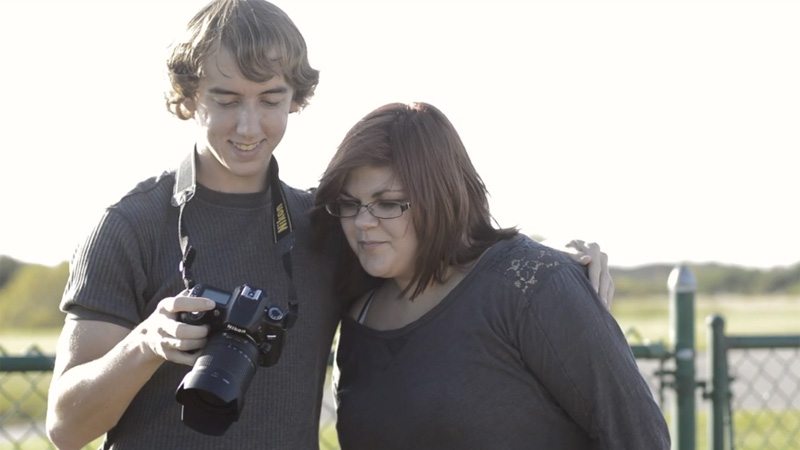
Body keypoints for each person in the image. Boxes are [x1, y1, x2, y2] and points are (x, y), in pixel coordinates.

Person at [45, 1, 613, 449]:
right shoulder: (129, 226)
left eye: (270, 99)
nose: (249, 125)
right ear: (190, 96)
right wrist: (147, 343)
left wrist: (561, 265)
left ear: (297, 99)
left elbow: (447, 244)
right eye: (226, 99)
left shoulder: (328, 223)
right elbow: (66, 428)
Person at [312, 102, 669, 450]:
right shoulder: (359, 315)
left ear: (441, 196)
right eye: (349, 204)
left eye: (388, 203)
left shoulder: (532, 284)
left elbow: (637, 435)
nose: (362, 222)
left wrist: (553, 267)